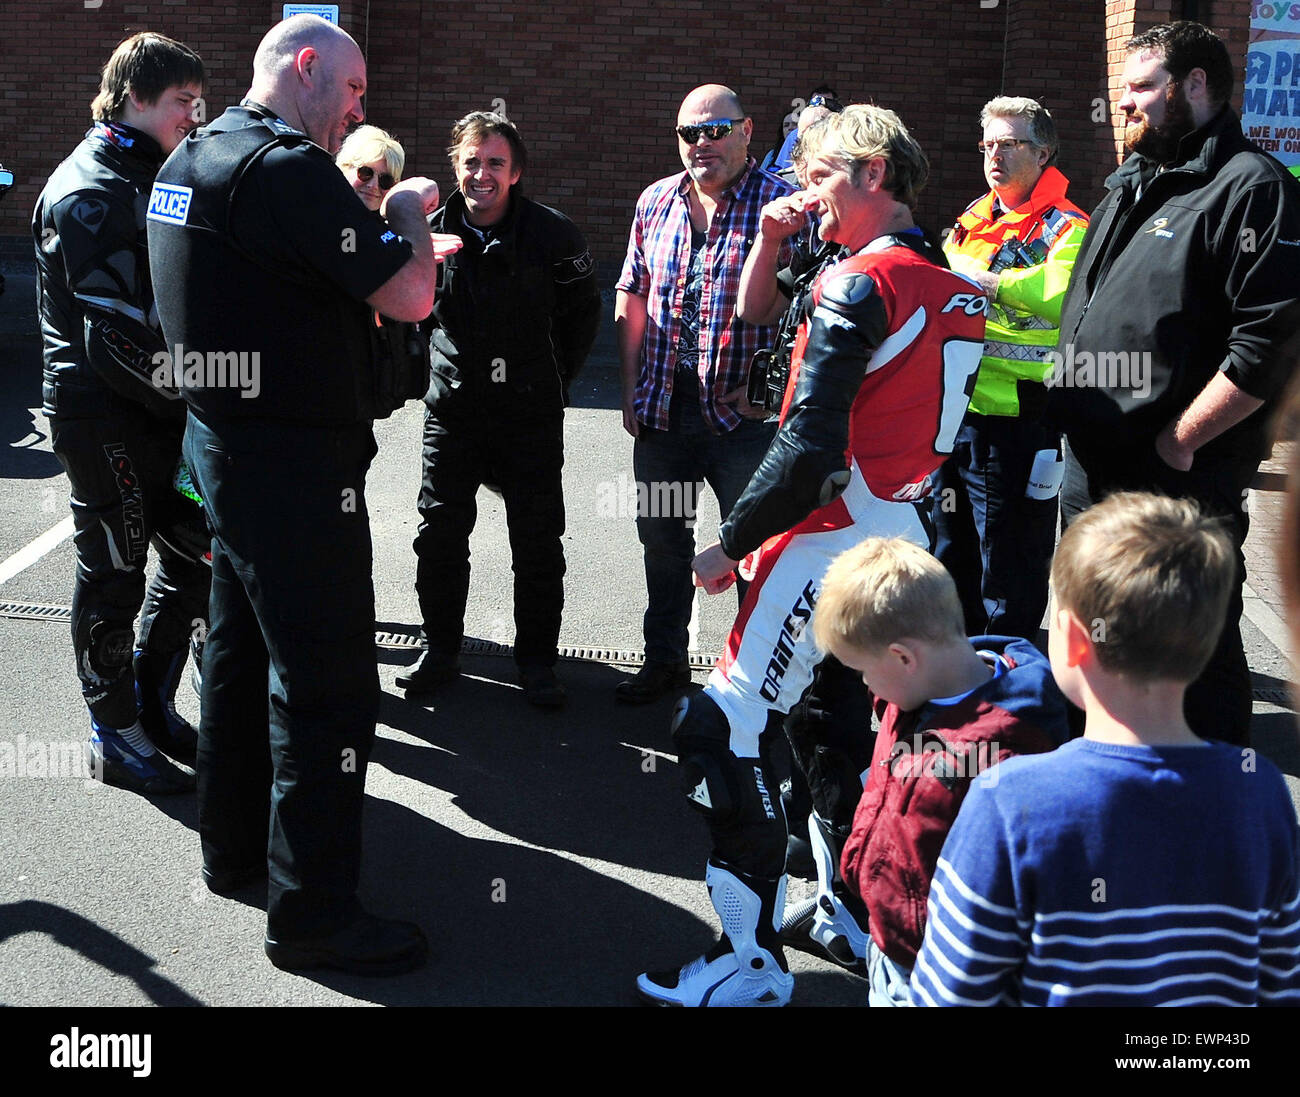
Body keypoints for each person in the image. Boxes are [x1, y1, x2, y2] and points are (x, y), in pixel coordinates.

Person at [635, 105, 988, 1007]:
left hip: (828, 538)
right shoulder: (950, 282)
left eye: (821, 174)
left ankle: (749, 961)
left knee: (721, 726)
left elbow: (806, 454)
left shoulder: (861, 286)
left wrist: (726, 543)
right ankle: (843, 906)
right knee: (828, 726)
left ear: (873, 171)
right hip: (897, 533)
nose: (805, 193)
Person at [147, 13, 460, 975]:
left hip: (221, 447)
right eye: (355, 92)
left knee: (239, 659)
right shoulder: (286, 168)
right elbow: (409, 295)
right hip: (291, 467)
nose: (359, 112)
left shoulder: (189, 157)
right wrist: (405, 208)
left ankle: (233, 848)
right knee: (325, 691)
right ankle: (315, 913)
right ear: (309, 67)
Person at [910, 492, 1300, 1006]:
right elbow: (1281, 981)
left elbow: (951, 996)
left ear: (1073, 640)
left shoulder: (1008, 802)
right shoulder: (1261, 793)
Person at [1048, 20, 1300, 746]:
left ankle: (1216, 813)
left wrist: (1184, 441)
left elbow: (1271, 345)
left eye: (1141, 88)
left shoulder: (1250, 187)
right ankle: (1096, 774)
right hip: (1091, 468)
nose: (1124, 104)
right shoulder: (1135, 179)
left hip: (1174, 476)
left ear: (1196, 85)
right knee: (1093, 634)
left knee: (1193, 645)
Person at [33, 31, 208, 795]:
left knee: (198, 554)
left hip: (158, 412)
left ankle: (147, 704)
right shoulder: (91, 187)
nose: (193, 119)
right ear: (136, 97)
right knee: (113, 570)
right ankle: (114, 733)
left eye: (199, 104)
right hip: (102, 417)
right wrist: (207, 391)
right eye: (181, 104)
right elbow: (113, 340)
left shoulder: (150, 167)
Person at [398, 111, 600, 708]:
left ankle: (537, 663)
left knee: (537, 542)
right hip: (453, 412)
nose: (481, 175)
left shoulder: (553, 236)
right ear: (455, 166)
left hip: (529, 414)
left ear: (515, 173)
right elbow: (406, 311)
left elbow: (581, 318)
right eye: (471, 162)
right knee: (439, 535)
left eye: (495, 164)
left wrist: (552, 382)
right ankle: (441, 651)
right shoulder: (427, 233)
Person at [811, 537, 1068, 1005]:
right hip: (888, 937)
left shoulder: (1002, 755)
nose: (866, 685)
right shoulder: (918, 685)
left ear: (904, 658)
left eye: (863, 671)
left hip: (938, 969)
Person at [614, 84, 790, 705]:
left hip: (744, 423)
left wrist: (769, 393)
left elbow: (809, 310)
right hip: (664, 411)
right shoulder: (656, 201)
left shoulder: (782, 206)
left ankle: (751, 682)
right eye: (690, 133)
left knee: (753, 552)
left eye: (717, 130)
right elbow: (632, 293)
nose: (702, 143)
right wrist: (630, 384)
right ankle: (662, 663)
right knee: (662, 542)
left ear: (748, 132)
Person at [935, 97, 1089, 640]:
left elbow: (1064, 293)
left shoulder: (1069, 226)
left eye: (1010, 143)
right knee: (950, 545)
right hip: (957, 410)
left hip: (1021, 418)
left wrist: (993, 285)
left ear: (1043, 151)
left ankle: (1008, 673)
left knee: (1009, 554)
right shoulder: (974, 215)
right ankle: (957, 665)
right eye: (988, 144)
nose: (994, 154)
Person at [336, 124, 404, 211]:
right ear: (344, 167)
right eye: (366, 172)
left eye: (385, 180)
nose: (373, 185)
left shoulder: (396, 224)